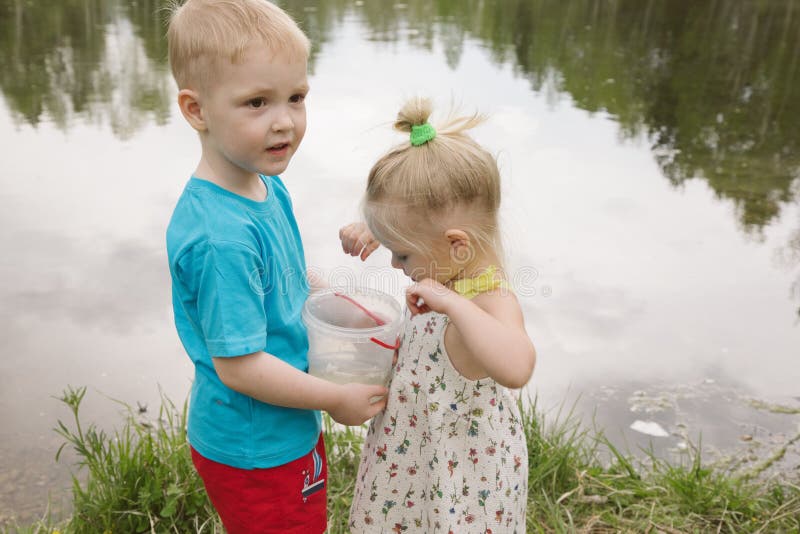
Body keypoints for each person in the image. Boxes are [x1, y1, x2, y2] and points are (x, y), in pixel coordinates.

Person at [165, 1, 387, 532]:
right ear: (197, 111)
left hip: (285, 425)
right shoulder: (220, 237)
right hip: (255, 449)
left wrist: (331, 302)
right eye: (257, 102)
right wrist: (335, 398)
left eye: (296, 97)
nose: (284, 120)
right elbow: (239, 366)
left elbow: (285, 278)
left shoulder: (265, 185)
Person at [340, 97, 536, 533]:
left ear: (457, 245)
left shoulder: (490, 300)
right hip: (413, 462)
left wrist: (453, 305)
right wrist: (377, 230)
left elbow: (518, 365)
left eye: (402, 253)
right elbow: (424, 225)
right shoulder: (452, 268)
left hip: (463, 479)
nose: (396, 265)